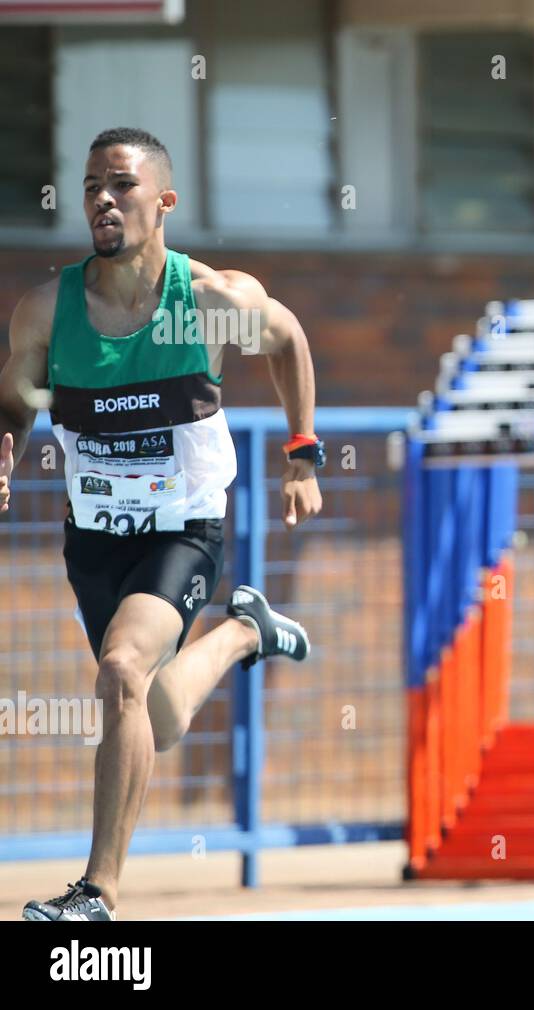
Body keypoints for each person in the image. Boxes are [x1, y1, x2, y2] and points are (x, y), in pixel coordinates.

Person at [0, 127, 326, 919]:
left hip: (185, 528)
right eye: (90, 188)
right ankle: (245, 633)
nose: (102, 202)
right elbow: (15, 398)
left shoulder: (209, 302)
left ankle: (97, 892)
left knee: (119, 670)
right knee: (152, 712)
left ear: (164, 202)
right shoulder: (48, 312)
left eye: (121, 186)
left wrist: (304, 453)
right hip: (96, 537)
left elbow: (287, 339)